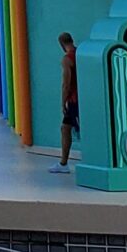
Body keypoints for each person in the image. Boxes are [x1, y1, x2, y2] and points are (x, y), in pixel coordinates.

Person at [53, 30, 79, 173]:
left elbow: (66, 84)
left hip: (74, 100)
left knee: (67, 129)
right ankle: (63, 163)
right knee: (66, 127)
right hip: (84, 98)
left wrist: (63, 102)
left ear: (61, 44)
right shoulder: (80, 53)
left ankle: (64, 163)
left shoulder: (67, 59)